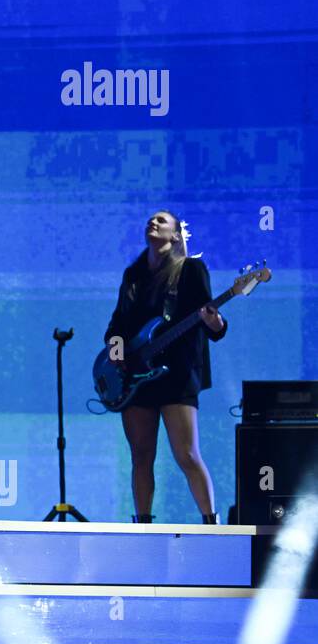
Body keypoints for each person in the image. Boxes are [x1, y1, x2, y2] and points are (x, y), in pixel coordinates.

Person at [105, 211, 227, 523]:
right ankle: (142, 524)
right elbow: (118, 322)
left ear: (175, 235)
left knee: (186, 454)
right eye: (150, 220)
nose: (153, 223)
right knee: (141, 456)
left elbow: (211, 322)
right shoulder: (133, 275)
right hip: (136, 375)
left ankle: (211, 524)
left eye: (161, 220)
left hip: (177, 374)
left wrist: (216, 322)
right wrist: (115, 344)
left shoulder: (190, 269)